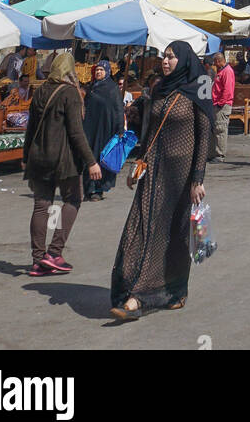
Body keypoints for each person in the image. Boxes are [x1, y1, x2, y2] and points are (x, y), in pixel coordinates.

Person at [110, 42, 213, 319]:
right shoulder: (160, 89)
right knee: (140, 225)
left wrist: (198, 178)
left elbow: (204, 136)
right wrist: (138, 163)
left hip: (181, 177)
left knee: (174, 234)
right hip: (154, 169)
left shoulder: (199, 87)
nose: (165, 61)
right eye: (163, 57)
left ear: (184, 60)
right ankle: (133, 291)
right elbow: (150, 130)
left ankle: (171, 291)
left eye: (171, 57)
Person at [23, 52, 101, 277]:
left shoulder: (40, 91)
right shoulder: (70, 93)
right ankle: (54, 252)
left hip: (39, 157)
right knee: (73, 199)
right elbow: (76, 133)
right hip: (63, 159)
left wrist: (26, 155)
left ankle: (38, 259)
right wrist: (91, 161)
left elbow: (31, 127)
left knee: (42, 205)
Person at [82, 61, 124, 201]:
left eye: (101, 70)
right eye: (97, 70)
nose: (98, 72)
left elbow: (118, 109)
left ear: (107, 71)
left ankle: (97, 189)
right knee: (89, 156)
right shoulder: (93, 87)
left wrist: (119, 129)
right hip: (90, 128)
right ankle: (88, 188)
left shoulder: (112, 89)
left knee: (101, 157)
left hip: (105, 129)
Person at [210, 52, 235, 163]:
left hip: (222, 105)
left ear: (219, 61)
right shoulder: (222, 71)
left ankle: (219, 154)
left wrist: (221, 103)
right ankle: (214, 152)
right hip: (217, 103)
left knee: (220, 129)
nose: (214, 64)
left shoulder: (227, 71)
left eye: (215, 62)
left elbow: (227, 90)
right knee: (216, 129)